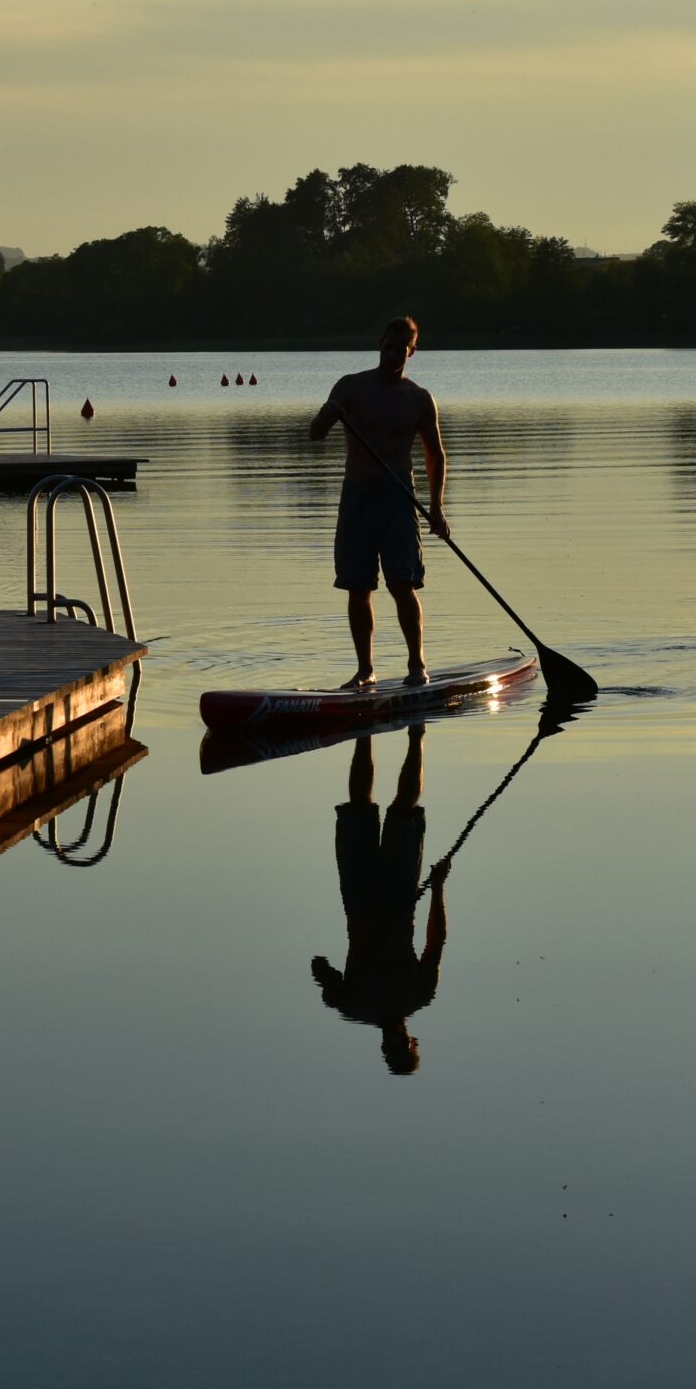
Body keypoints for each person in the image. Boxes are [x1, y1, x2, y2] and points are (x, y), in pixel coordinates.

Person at [309, 315, 447, 686]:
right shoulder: (351, 387)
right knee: (358, 587)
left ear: (411, 351)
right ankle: (365, 670)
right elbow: (315, 434)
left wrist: (436, 507)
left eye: (400, 349)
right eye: (387, 347)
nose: (391, 354)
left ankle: (417, 665)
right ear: (379, 344)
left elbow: (435, 454)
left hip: (399, 499)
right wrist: (329, 415)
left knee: (403, 584)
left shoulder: (418, 398)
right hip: (357, 498)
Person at [310, 726, 446, 1075]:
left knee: (394, 809)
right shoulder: (354, 1007)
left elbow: (436, 942)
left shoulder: (413, 997)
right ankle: (370, 732)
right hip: (366, 901)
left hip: (387, 901)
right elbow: (318, 964)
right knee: (370, 807)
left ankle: (410, 734)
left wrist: (438, 888)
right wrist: (328, 986)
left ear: (411, 1042)